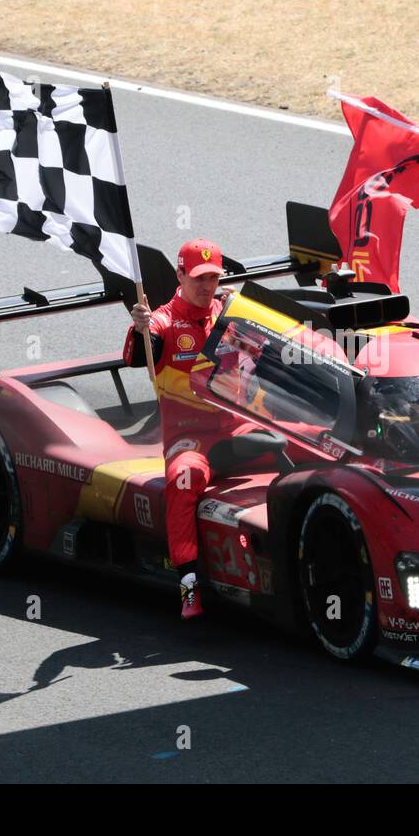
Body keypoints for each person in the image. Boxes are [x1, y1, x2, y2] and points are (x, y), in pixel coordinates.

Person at [125, 237, 248, 619]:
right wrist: (140, 328)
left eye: (213, 277)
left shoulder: (231, 310)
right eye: (198, 278)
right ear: (180, 275)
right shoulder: (161, 320)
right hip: (189, 441)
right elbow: (139, 351)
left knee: (307, 442)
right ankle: (189, 584)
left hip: (236, 431)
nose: (207, 286)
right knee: (183, 477)